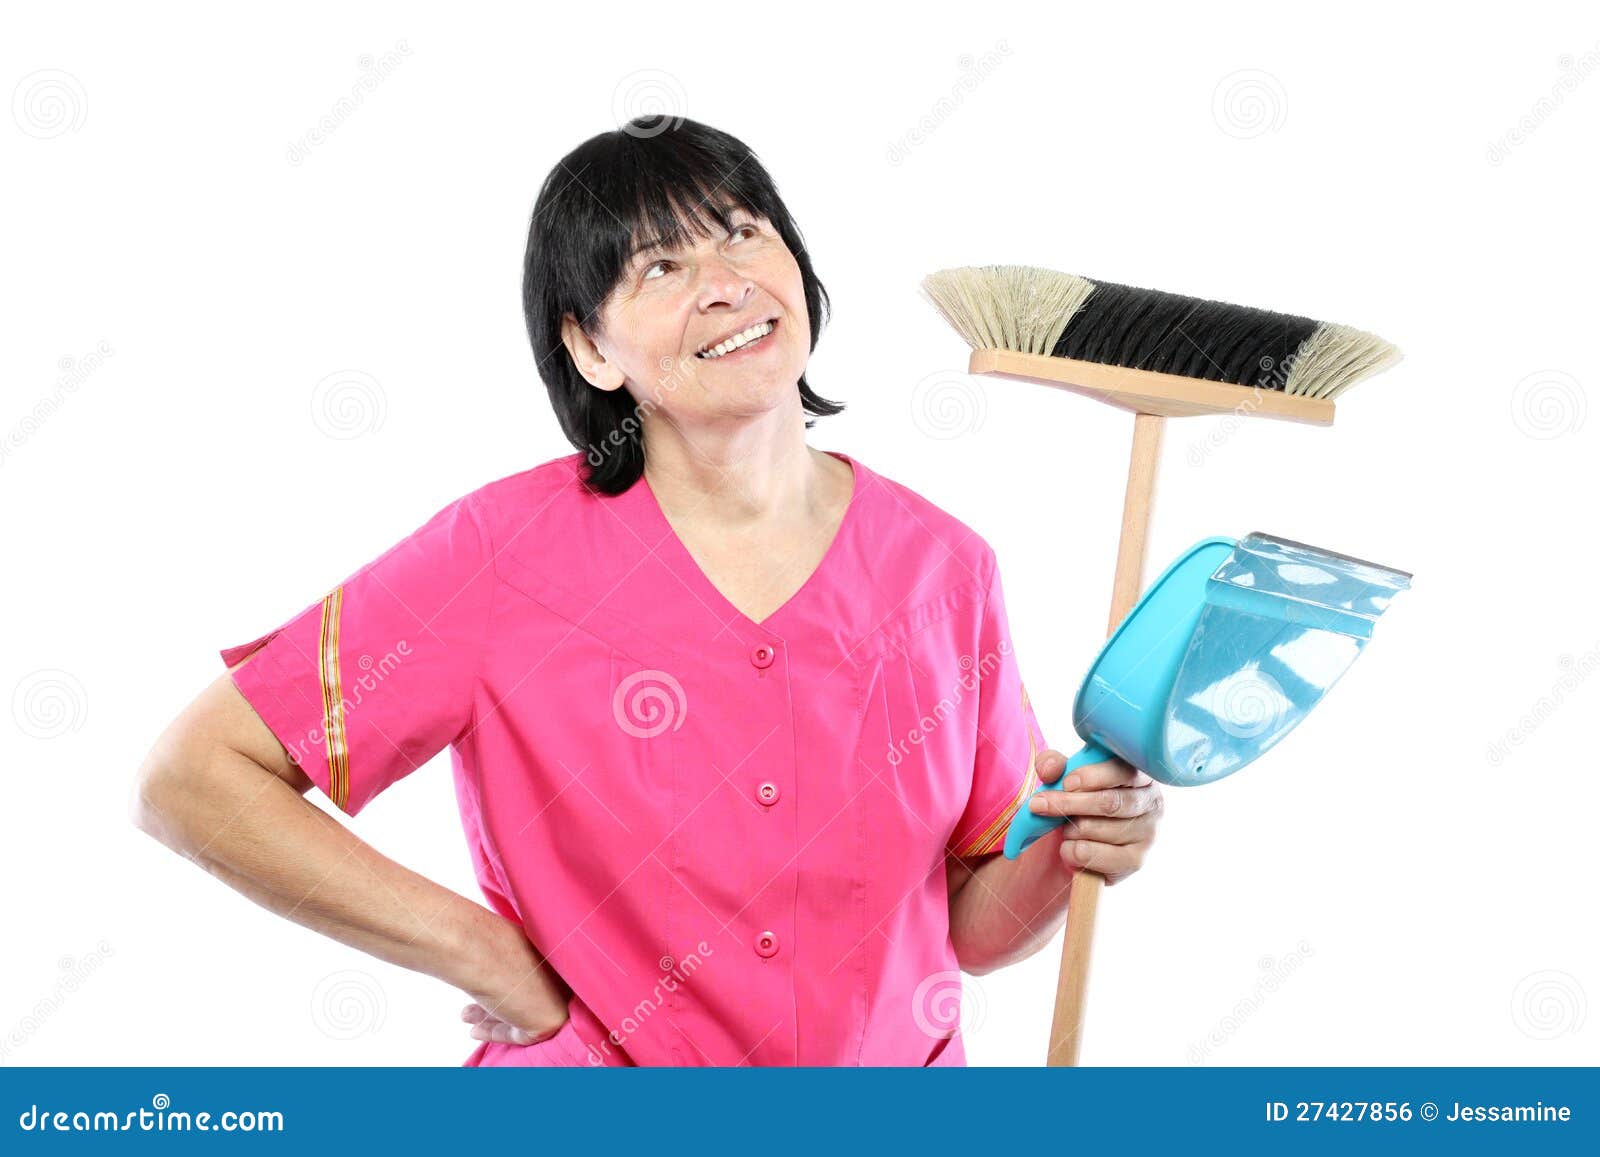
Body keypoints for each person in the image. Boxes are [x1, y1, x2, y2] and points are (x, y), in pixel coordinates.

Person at [132, 116, 1162, 1066]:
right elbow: (193, 777)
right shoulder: (503, 554)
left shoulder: (945, 568)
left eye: (744, 233)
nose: (723, 283)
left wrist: (1072, 846)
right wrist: (490, 959)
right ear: (589, 346)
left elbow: (969, 925)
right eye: (660, 264)